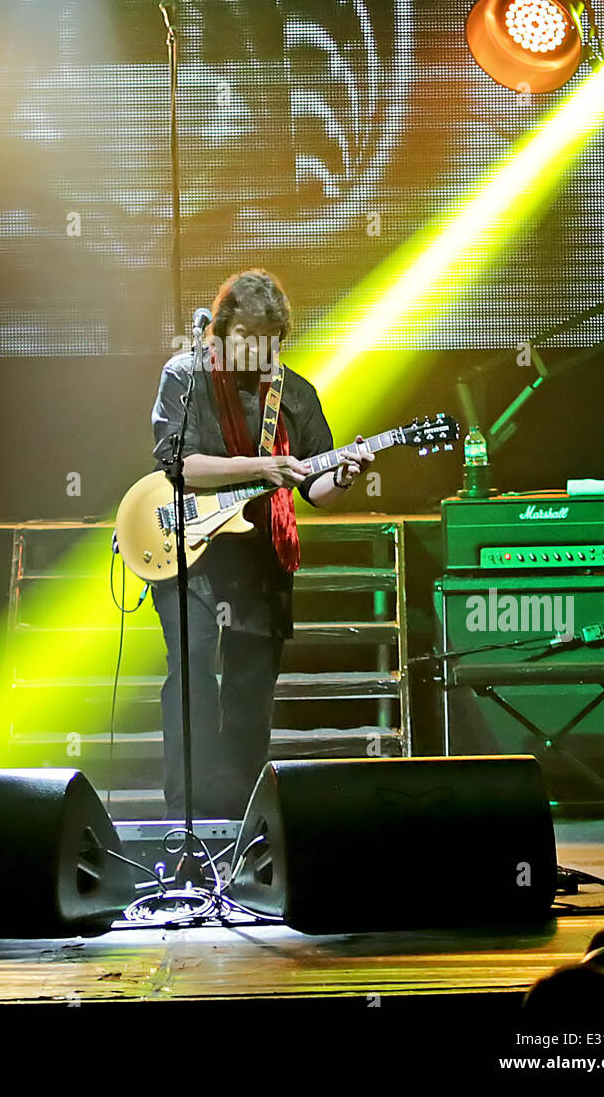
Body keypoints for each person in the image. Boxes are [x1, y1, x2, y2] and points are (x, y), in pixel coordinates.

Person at [150, 268, 374, 821]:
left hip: (262, 560)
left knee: (251, 694)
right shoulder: (186, 376)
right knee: (192, 680)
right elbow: (179, 465)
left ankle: (245, 820)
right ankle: (190, 818)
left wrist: (342, 475)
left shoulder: (295, 392)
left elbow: (316, 489)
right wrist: (261, 466)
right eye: (251, 339)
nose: (262, 352)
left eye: (273, 341)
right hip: (191, 555)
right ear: (223, 330)